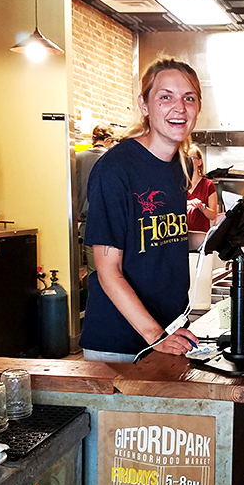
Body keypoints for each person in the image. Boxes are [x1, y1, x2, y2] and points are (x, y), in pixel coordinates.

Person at [79, 58, 202, 363]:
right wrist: (155, 336)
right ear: (144, 105)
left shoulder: (178, 166)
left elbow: (161, 238)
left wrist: (216, 236)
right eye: (165, 97)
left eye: (189, 98)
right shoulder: (116, 169)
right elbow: (108, 270)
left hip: (168, 332)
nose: (180, 107)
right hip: (121, 344)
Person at [76, 123, 113, 275]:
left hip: (88, 222)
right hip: (112, 223)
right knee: (114, 273)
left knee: (94, 273)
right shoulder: (114, 158)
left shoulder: (76, 158)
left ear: (92, 138)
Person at [187, 144, 218, 235]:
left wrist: (202, 207)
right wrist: (188, 203)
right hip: (182, 236)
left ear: (199, 162)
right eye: (186, 158)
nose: (188, 162)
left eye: (192, 158)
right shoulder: (178, 184)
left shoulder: (208, 185)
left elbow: (213, 215)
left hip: (201, 235)